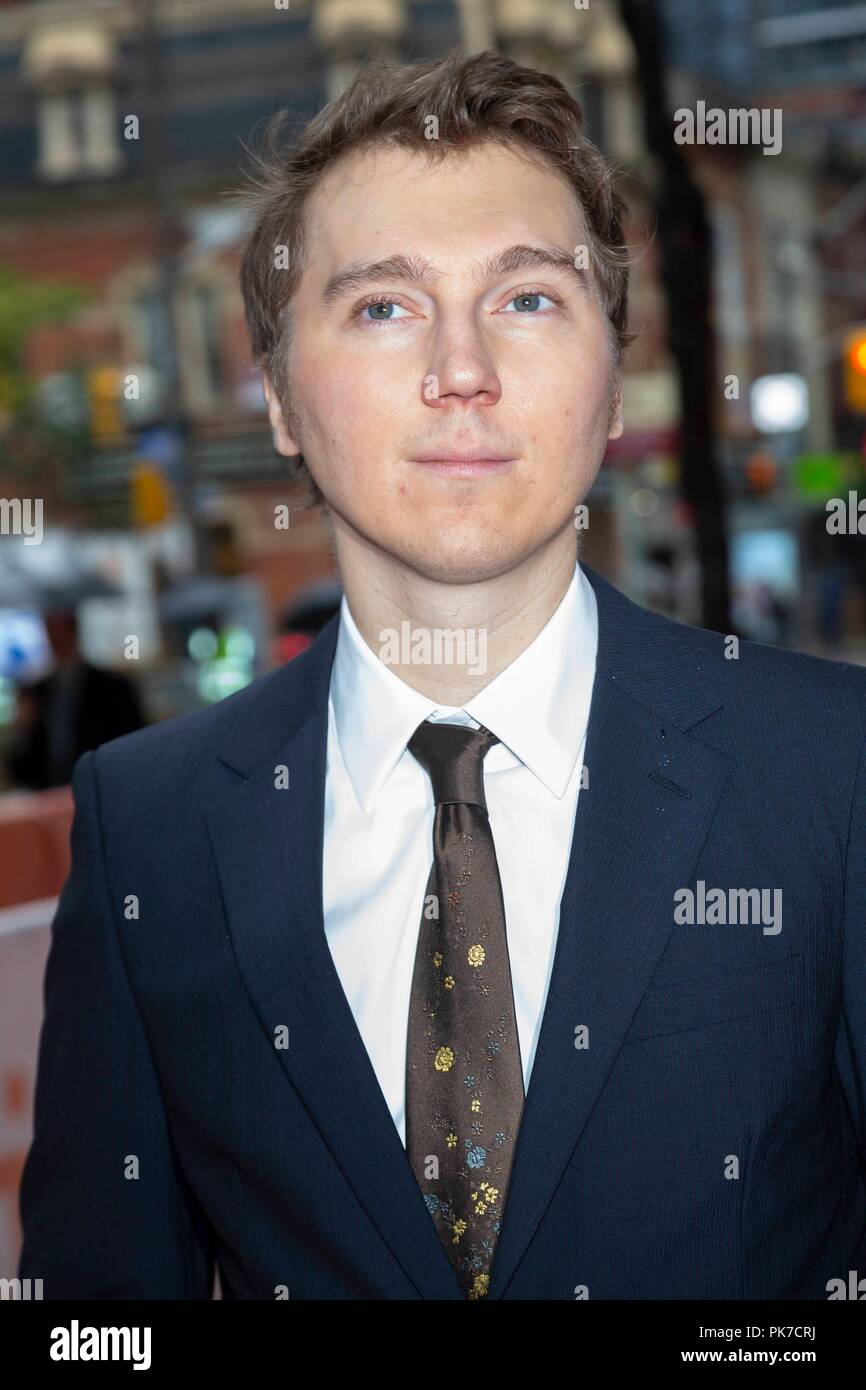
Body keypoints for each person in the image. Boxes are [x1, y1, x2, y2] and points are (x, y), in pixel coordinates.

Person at [18, 50, 866, 1301]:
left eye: (528, 299)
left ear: (610, 369)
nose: (459, 368)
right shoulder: (149, 826)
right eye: (381, 306)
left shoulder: (832, 767)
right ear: (278, 403)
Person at [6, 605, 145, 791]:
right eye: (48, 628)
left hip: (102, 788)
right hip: (51, 796)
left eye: (56, 628)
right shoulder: (36, 693)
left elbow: (132, 745)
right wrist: (22, 730)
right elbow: (22, 768)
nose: (52, 637)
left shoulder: (113, 688)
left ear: (72, 628)